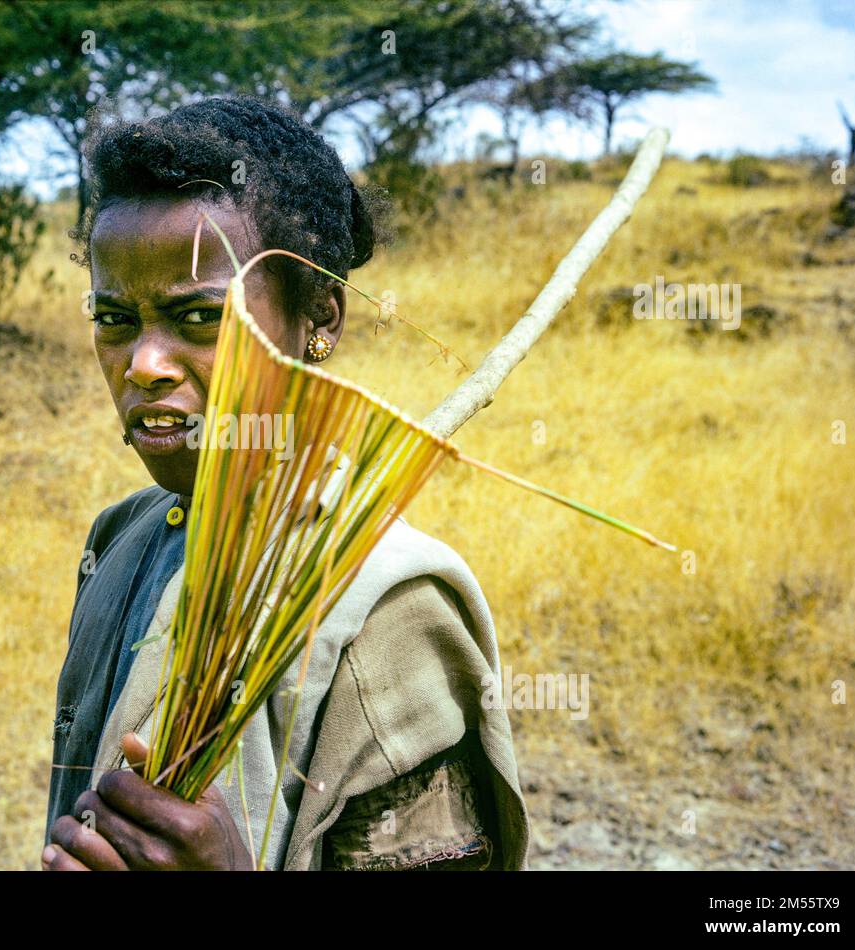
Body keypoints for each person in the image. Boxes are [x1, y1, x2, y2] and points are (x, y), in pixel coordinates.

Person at [43, 95, 530, 871]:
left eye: (199, 318)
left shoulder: (387, 604)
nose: (143, 363)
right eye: (114, 319)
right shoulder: (123, 537)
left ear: (320, 319)